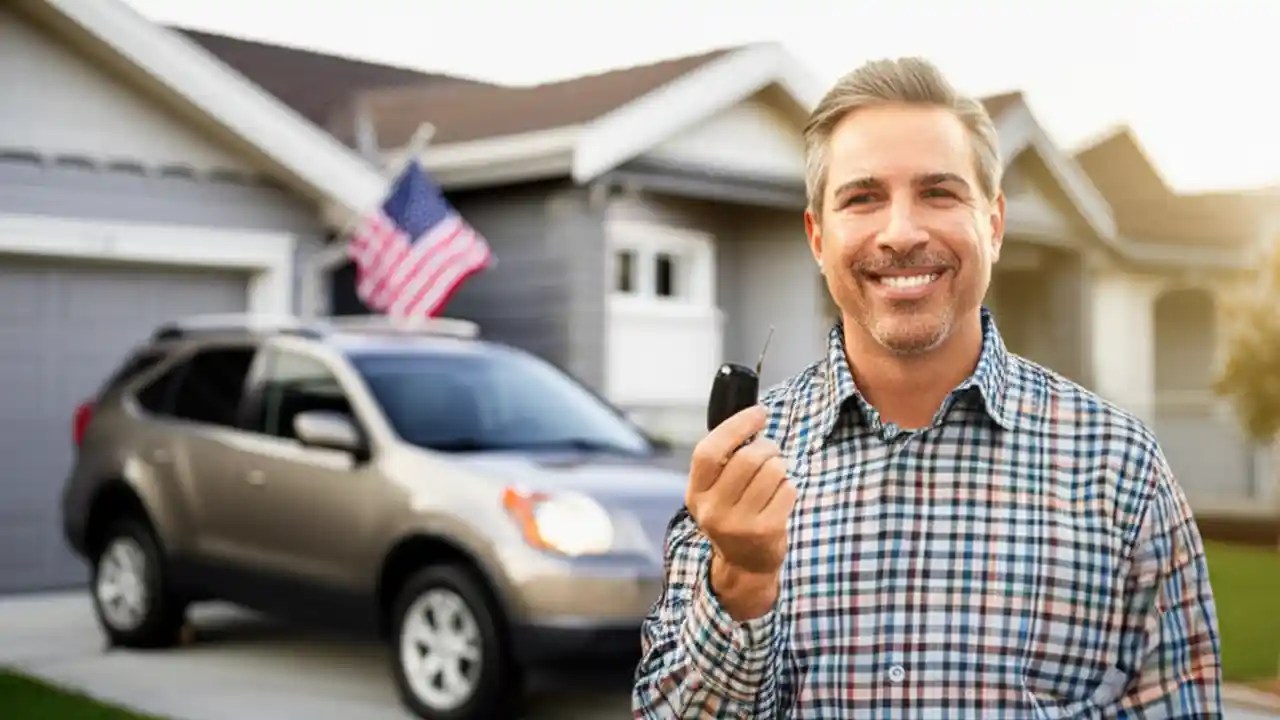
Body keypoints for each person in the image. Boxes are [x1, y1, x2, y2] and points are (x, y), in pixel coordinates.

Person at [631, 56, 1223, 719]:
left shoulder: (1122, 470)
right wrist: (740, 579)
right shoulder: (739, 478)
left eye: (939, 193)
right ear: (818, 237)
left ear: (993, 225)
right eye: (863, 198)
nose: (902, 232)